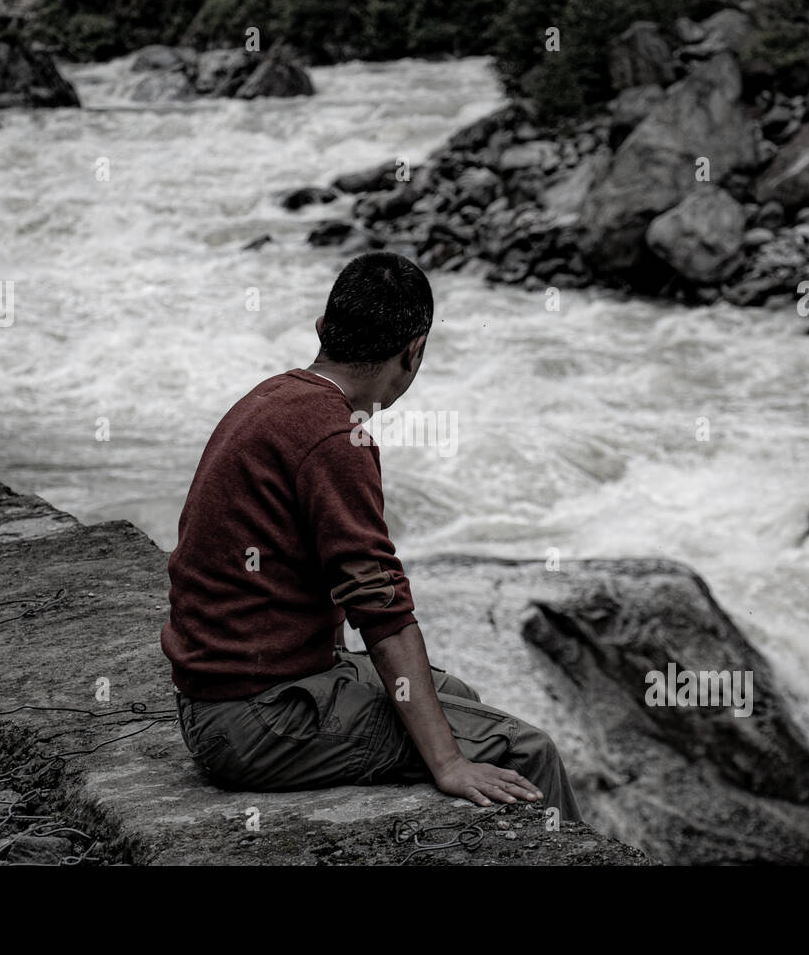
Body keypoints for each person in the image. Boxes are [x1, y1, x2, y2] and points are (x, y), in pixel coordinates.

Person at [160, 251, 582, 820]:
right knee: (529, 752)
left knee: (455, 695)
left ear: (322, 331)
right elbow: (378, 604)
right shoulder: (336, 438)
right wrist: (450, 764)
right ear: (414, 351)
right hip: (254, 720)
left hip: (225, 695)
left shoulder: (272, 397)